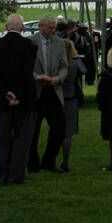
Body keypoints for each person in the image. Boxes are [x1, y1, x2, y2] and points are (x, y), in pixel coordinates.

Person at [0, 14, 38, 186]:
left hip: (2, 100)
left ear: (6, 26)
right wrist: (18, 96)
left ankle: (1, 175)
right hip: (24, 101)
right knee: (22, 140)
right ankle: (16, 176)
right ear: (22, 27)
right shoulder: (29, 46)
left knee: (2, 140)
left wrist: (6, 93)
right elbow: (26, 74)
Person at [28, 15, 69, 173]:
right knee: (33, 129)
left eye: (55, 28)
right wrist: (37, 77)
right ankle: (32, 163)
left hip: (53, 90)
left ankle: (49, 161)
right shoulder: (30, 42)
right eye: (51, 28)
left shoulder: (59, 43)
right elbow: (25, 67)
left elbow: (64, 66)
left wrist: (58, 78)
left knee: (60, 126)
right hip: (36, 91)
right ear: (41, 26)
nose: (54, 30)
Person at [60, 37, 86, 172]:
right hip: (71, 97)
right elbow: (84, 70)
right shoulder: (75, 63)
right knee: (67, 133)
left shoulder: (57, 62)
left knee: (56, 131)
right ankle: (65, 161)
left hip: (58, 97)